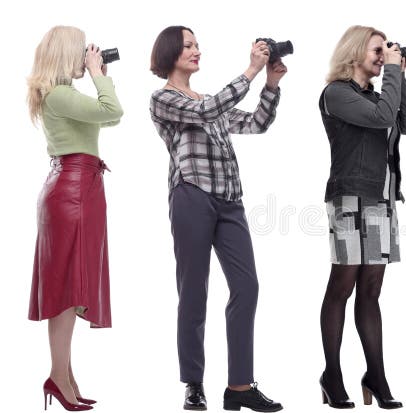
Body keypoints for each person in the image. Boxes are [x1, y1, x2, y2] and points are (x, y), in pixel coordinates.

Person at [149, 25, 287, 412]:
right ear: (170, 53)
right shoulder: (163, 99)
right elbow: (206, 112)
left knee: (247, 287)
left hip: (230, 201)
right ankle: (194, 384)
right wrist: (250, 70)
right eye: (188, 45)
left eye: (197, 45)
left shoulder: (212, 99)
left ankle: (239, 386)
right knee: (194, 292)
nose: (197, 50)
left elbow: (256, 123)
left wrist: (271, 84)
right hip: (191, 195)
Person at [318, 24, 406, 410]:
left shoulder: (380, 94)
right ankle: (332, 374)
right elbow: (380, 119)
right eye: (377, 51)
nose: (383, 56)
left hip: (381, 200)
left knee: (372, 291)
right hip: (348, 198)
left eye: (385, 51)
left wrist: (400, 74)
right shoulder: (337, 94)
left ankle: (375, 376)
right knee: (342, 284)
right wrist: (393, 72)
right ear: (355, 51)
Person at [27, 25, 124, 411]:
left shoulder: (64, 96)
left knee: (69, 287)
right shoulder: (60, 95)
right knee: (66, 290)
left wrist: (102, 76)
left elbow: (109, 118)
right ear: (68, 54)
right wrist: (99, 75)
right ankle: (58, 375)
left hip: (76, 189)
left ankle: (63, 374)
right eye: (82, 50)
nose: (89, 54)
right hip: (73, 193)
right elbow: (114, 110)